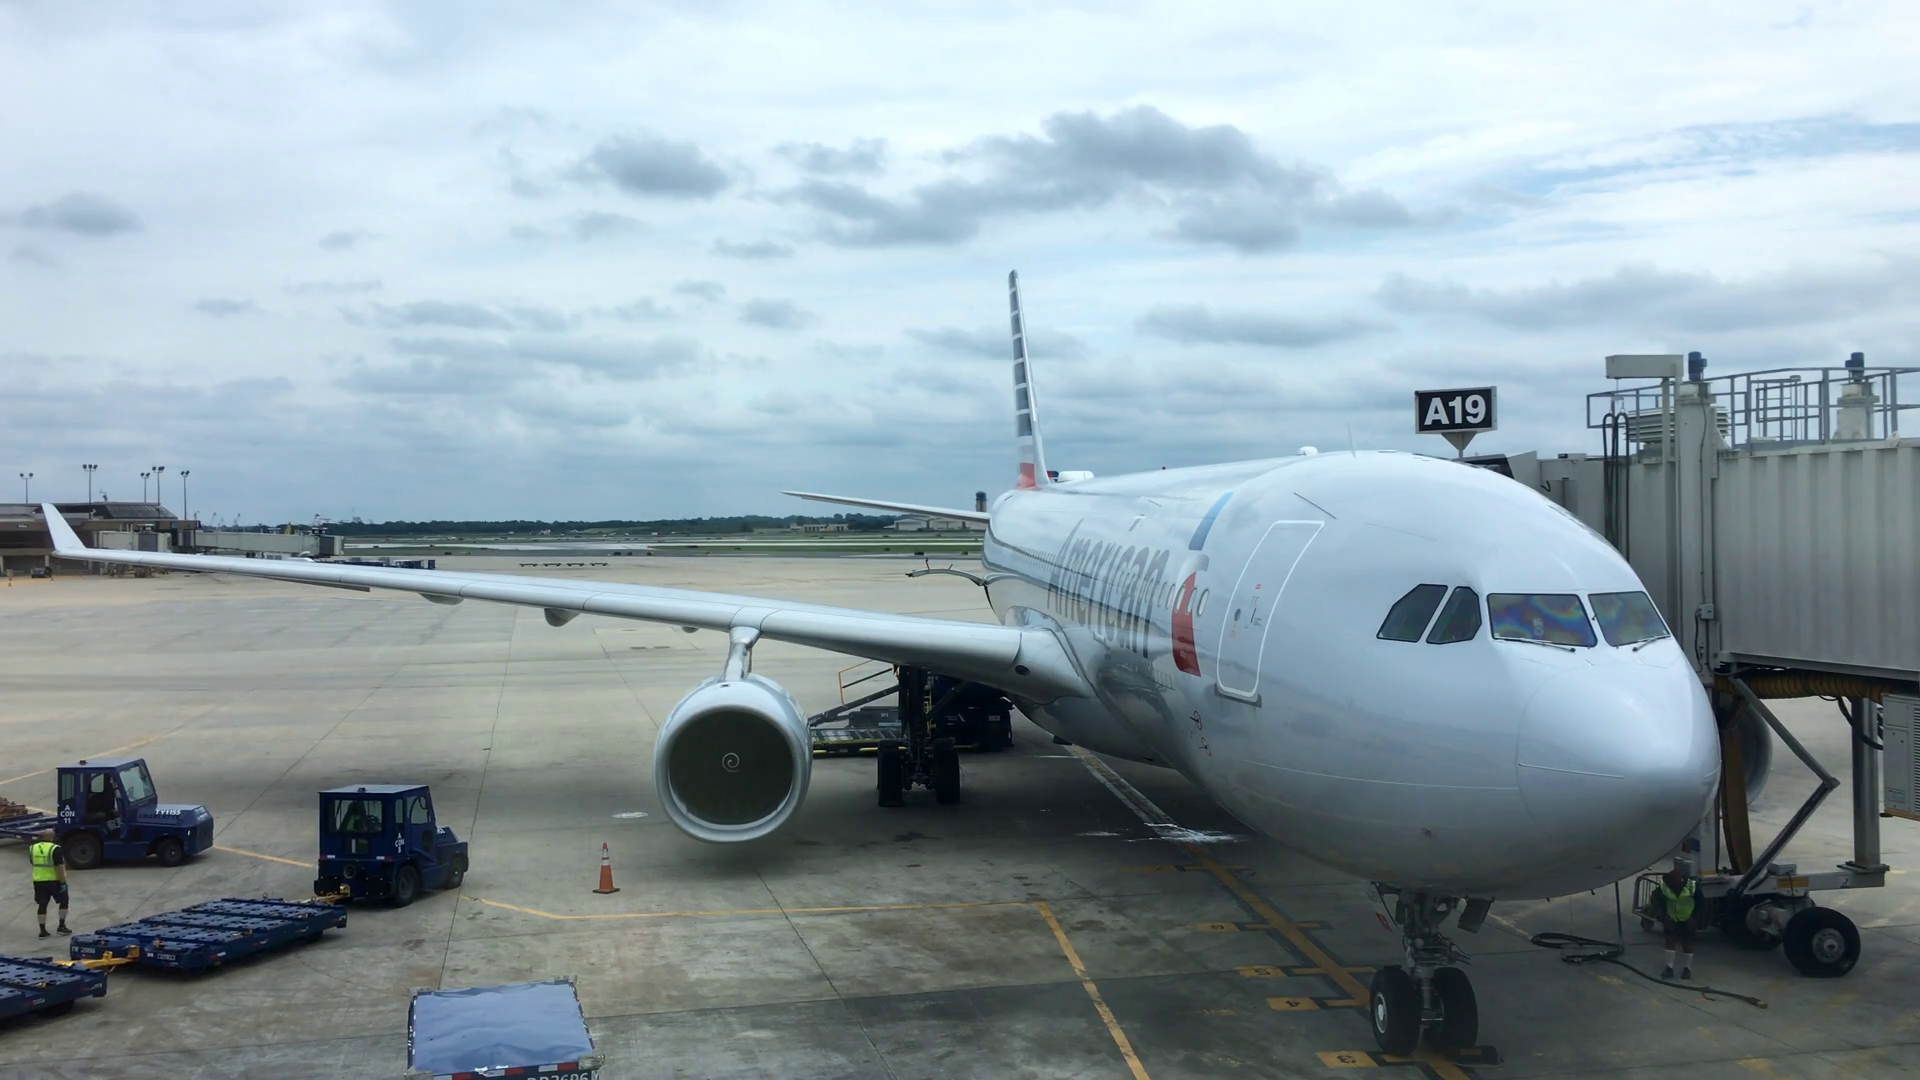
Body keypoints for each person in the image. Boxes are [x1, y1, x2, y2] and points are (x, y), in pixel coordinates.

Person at [1652, 861, 1697, 980]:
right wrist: (1663, 916)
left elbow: (1701, 903)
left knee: (1687, 944)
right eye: (1672, 882)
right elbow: (1656, 900)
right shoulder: (1664, 887)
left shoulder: (1692, 887)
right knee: (1670, 942)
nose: (1674, 884)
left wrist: (1695, 918)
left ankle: (1687, 969)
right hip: (1671, 919)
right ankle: (1669, 968)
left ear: (1682, 881)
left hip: (1688, 919)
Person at [28, 830, 70, 938]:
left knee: (42, 905)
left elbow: (32, 862)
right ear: (52, 837)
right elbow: (59, 867)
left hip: (38, 881)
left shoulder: (33, 848)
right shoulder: (55, 849)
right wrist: (63, 882)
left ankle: (42, 931)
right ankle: (61, 926)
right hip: (54, 880)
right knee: (64, 901)